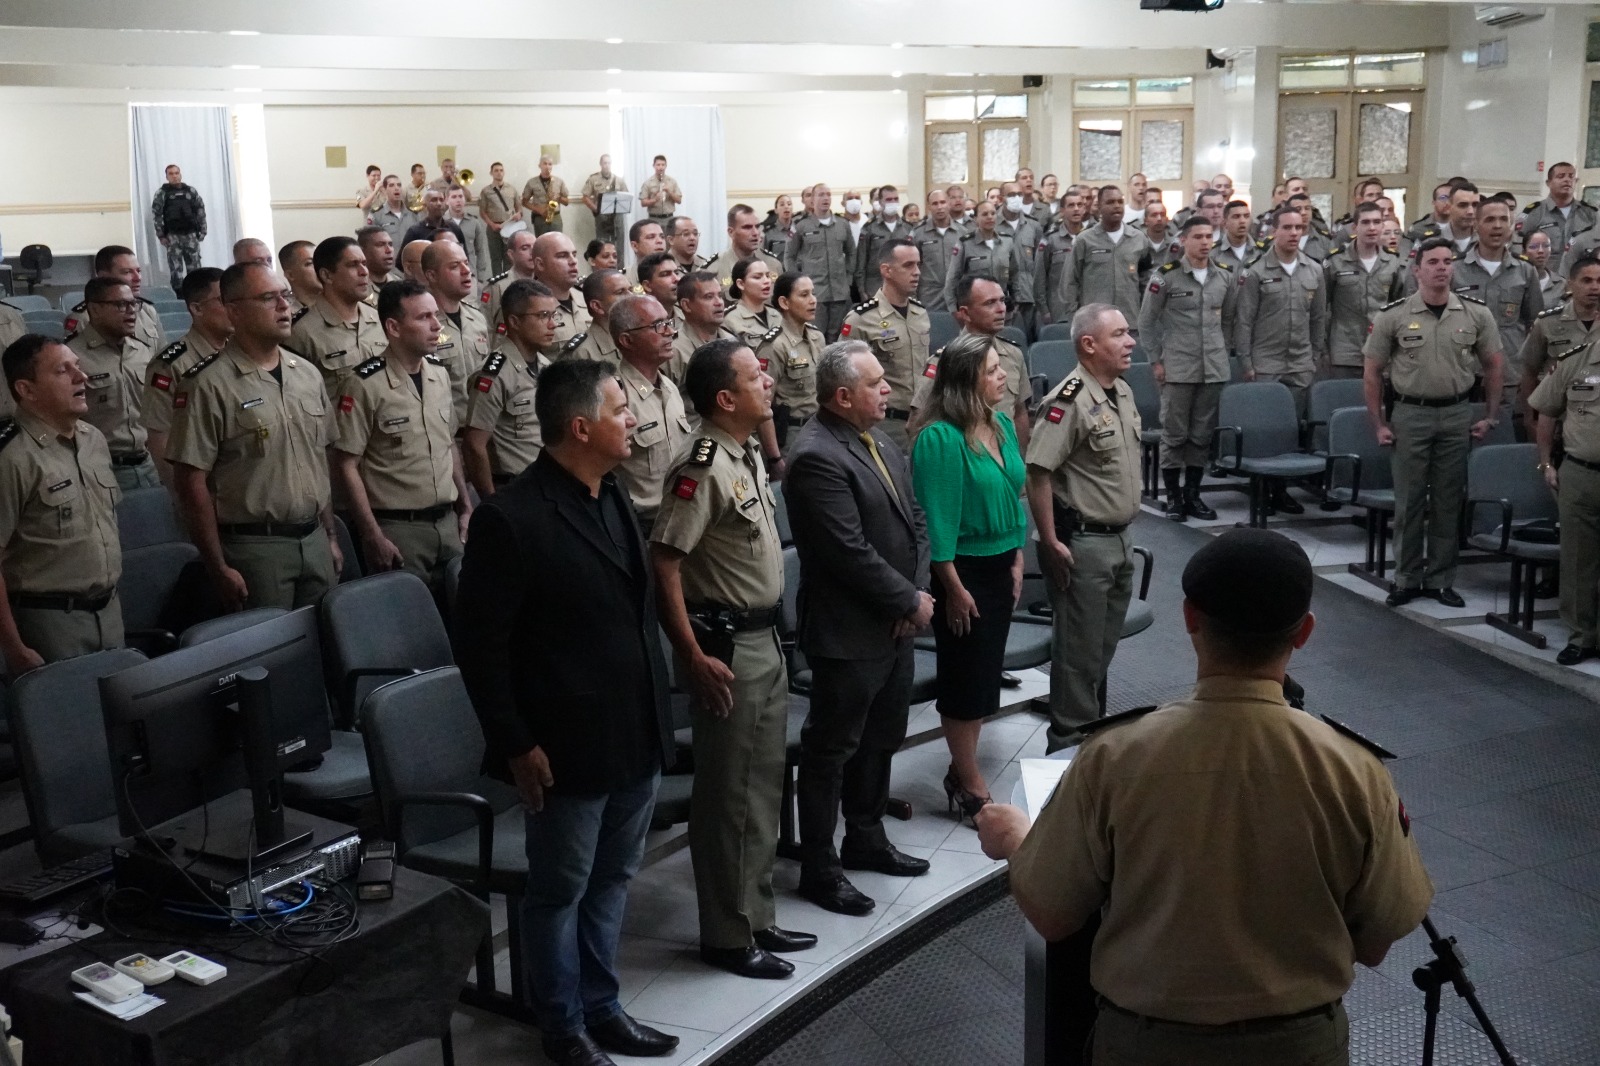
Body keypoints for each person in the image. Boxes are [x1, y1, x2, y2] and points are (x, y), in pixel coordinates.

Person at [976, 529, 1434, 1065]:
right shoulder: (1354, 770)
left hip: (1148, 1048)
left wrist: (1017, 842)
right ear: (1305, 632)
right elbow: (1377, 941)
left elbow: (1054, 915)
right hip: (1301, 1050)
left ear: (1190, 618)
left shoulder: (1115, 757)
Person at [455, 358, 680, 1066]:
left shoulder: (610, 493)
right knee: (560, 890)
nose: (634, 419)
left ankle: (602, 1005)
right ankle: (562, 1024)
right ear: (581, 427)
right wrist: (517, 744)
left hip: (634, 727)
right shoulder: (510, 518)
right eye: (622, 410)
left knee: (613, 879)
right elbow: (481, 650)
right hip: (565, 743)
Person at [651, 337, 816, 980]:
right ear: (726, 397)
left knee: (763, 787)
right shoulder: (700, 463)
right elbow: (665, 562)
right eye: (755, 375)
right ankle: (725, 934)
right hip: (725, 648)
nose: (769, 380)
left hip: (765, 639)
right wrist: (689, 653)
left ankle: (757, 914)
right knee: (727, 798)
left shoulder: (744, 451)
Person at [786, 339, 933, 917]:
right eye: (876, 384)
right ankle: (820, 869)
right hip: (849, 631)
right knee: (832, 751)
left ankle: (866, 837)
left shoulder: (880, 440)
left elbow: (914, 520)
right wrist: (907, 599)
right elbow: (846, 552)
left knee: (881, 738)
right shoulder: (816, 455)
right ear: (843, 396)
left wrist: (914, 596)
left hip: (895, 623)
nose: (889, 389)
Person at [167, 262, 342, 612]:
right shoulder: (208, 384)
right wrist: (217, 566)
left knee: (325, 649)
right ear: (234, 310)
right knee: (270, 656)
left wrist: (332, 536)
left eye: (285, 295)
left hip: (314, 539)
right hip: (255, 548)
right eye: (268, 298)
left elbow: (318, 460)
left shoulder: (306, 374)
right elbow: (191, 483)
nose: (284, 306)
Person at [909, 331, 1026, 826]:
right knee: (964, 679)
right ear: (966, 382)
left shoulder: (1000, 425)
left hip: (1001, 565)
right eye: (994, 370)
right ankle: (968, 780)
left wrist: (1018, 559)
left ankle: (962, 770)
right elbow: (937, 524)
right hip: (962, 573)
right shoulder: (941, 438)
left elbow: (1013, 494)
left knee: (984, 677)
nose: (1004, 377)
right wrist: (952, 589)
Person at [1364, 238, 1504, 608]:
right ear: (1417, 269)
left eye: (1447, 261)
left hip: (1457, 413)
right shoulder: (1393, 315)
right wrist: (1378, 422)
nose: (1442, 267)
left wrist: (1490, 415)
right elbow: (1373, 371)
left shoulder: (1475, 314)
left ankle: (1441, 579)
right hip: (1410, 414)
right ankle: (1407, 578)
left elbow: (1493, 365)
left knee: (1447, 500)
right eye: (1433, 261)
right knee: (1409, 501)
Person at [1026, 304, 1141, 755]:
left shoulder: (1123, 392)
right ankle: (1069, 751)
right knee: (1077, 658)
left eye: (1129, 332)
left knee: (1098, 654)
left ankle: (1089, 740)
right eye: (1119, 334)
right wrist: (1050, 542)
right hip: (1085, 543)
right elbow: (1038, 472)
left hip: (1120, 540)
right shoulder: (1068, 400)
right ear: (1089, 345)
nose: (1130, 341)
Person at [332, 279, 470, 594]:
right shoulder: (364, 384)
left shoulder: (439, 374)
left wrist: (465, 506)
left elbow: (448, 445)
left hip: (447, 523)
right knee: (408, 624)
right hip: (398, 528)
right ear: (393, 327)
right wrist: (372, 535)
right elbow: (345, 464)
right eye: (424, 318)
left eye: (436, 315)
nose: (437, 326)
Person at [0, 334, 123, 674]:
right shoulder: (11, 457)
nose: (81, 377)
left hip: (110, 611)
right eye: (62, 371)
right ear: (27, 390)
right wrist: (13, 647)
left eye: (78, 367)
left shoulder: (93, 439)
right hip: (50, 622)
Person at [1139, 216, 1236, 521]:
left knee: (1202, 434)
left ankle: (1194, 495)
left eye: (1209, 237)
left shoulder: (1224, 277)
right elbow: (1146, 322)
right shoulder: (1166, 277)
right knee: (1175, 433)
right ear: (1183, 241)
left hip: (1213, 367)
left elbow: (1230, 320)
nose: (1205, 242)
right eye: (1198, 237)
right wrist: (1156, 360)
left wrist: (1225, 350)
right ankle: (1174, 497)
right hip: (1178, 366)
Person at [1235, 205, 1329, 510]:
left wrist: (1314, 356)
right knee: (1263, 429)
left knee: (1289, 429)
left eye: (1299, 228)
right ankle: (1261, 489)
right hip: (1266, 360)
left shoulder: (1314, 270)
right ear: (1273, 231)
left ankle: (1281, 490)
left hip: (1300, 361)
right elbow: (1244, 320)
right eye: (1287, 228)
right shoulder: (1257, 271)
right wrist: (1246, 363)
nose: (1293, 233)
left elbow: (1319, 318)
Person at [1532, 322, 1600, 666]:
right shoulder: (1575, 361)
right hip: (1581, 473)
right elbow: (1546, 411)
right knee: (1577, 561)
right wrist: (1546, 463)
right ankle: (1581, 636)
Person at [913, 274, 1033, 452]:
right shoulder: (946, 361)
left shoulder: (1013, 354)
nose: (1001, 309)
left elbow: (1020, 412)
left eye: (1002, 300)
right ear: (965, 313)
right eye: (990, 303)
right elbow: (917, 420)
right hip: (968, 462)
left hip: (1006, 463)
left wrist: (1019, 461)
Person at [463, 279, 560, 498]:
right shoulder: (494, 374)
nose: (552, 324)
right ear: (514, 322)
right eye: (543, 316)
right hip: (514, 488)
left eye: (554, 315)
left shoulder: (545, 366)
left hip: (549, 484)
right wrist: (492, 502)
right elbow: (474, 445)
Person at [63, 275, 158, 491]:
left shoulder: (142, 351)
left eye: (134, 303)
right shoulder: (72, 357)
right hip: (100, 470)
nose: (131, 310)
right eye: (121, 305)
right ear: (94, 310)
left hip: (149, 465)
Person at [611, 295, 692, 529]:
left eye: (669, 323)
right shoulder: (616, 395)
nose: (669, 332)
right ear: (627, 340)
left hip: (679, 517)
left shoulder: (668, 386)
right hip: (641, 524)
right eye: (658, 326)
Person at [840, 238, 928, 451]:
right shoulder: (861, 319)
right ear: (886, 271)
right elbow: (844, 378)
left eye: (918, 264)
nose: (916, 272)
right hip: (884, 424)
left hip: (924, 421)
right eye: (908, 265)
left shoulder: (920, 313)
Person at [144, 266, 230, 477]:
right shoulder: (170, 364)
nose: (233, 307)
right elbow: (161, 438)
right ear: (197, 309)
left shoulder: (244, 352)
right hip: (202, 484)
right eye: (222, 300)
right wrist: (185, 500)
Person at [1453, 199, 1543, 384]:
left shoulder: (1525, 270)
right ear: (1476, 225)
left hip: (1508, 372)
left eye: (1504, 219)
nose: (1497, 226)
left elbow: (1533, 324)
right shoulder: (1455, 268)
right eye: (1490, 220)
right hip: (1463, 370)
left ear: (1511, 225)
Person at [289, 235, 385, 397]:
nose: (364, 272)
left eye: (364, 264)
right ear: (327, 275)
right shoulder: (301, 331)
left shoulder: (378, 318)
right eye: (353, 265)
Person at [1322, 202, 1405, 381]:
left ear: (1383, 225)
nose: (1372, 228)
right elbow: (1321, 308)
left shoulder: (1393, 262)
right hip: (1344, 352)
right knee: (1344, 404)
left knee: (1379, 406)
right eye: (1366, 222)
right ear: (1354, 227)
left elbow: (1399, 306)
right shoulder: (1335, 262)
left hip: (1381, 350)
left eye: (1377, 222)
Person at [756, 273, 824, 456]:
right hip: (791, 437)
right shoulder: (774, 346)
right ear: (785, 303)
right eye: (804, 295)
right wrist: (774, 457)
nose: (813, 301)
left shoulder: (817, 337)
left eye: (813, 293)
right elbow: (763, 407)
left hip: (819, 431)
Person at [1064, 185, 1149, 333]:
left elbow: (1145, 280)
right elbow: (1070, 281)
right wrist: (1074, 317)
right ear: (1099, 207)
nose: (1116, 206)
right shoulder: (1085, 240)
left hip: (1130, 322)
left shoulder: (1138, 239)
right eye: (1110, 202)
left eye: (1120, 202)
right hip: (1095, 324)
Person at [783, 184, 856, 342]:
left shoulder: (842, 224)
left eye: (828, 195)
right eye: (821, 195)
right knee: (815, 336)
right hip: (815, 293)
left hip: (839, 293)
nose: (826, 198)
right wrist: (797, 282)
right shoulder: (801, 225)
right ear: (812, 199)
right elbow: (789, 256)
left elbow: (851, 252)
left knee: (838, 338)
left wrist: (849, 278)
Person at [944, 200, 1021, 315]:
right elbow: (952, 279)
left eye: (993, 213)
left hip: (1001, 307)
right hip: (976, 308)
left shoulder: (1007, 241)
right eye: (985, 214)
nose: (990, 217)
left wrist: (1016, 301)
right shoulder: (965, 243)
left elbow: (1015, 274)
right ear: (975, 218)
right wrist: (954, 309)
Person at [1519, 161, 1597, 258]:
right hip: (1544, 271)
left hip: (1581, 270)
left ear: (1576, 181)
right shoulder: (1534, 212)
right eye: (1561, 176)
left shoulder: (1591, 213)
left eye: (1571, 176)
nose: (1567, 180)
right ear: (1548, 183)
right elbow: (1518, 247)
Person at [669, 271, 734, 386]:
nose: (719, 303)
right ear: (686, 305)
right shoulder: (674, 350)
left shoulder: (732, 342)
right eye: (709, 297)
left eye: (720, 296)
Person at [533, 233, 591, 356]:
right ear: (540, 264)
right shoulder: (526, 305)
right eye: (562, 256)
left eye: (574, 255)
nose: (573, 261)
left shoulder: (587, 299)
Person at [704, 204, 783, 295]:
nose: (755, 233)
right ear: (731, 232)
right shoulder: (713, 269)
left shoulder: (773, 264)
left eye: (757, 227)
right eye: (747, 227)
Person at [152, 163, 207, 290]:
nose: (174, 176)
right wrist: (161, 235)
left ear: (180, 174)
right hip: (173, 236)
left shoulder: (190, 191)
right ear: (166, 176)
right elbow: (157, 214)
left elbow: (200, 210)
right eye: (171, 174)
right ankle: (179, 295)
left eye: (176, 173)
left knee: (195, 268)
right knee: (176, 269)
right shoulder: (162, 193)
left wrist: (203, 230)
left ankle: (195, 292)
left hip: (191, 235)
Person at [854, 185, 911, 300]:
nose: (893, 202)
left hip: (902, 289)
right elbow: (861, 263)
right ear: (880, 202)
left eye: (896, 199)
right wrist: (862, 291)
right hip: (875, 289)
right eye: (889, 200)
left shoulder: (908, 228)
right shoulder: (869, 228)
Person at [562, 269, 631, 365]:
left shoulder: (636, 338)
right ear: (597, 306)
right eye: (620, 292)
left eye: (630, 290)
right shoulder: (582, 354)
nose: (631, 296)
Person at [482, 229, 541, 337]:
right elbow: (486, 326)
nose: (532, 252)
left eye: (535, 247)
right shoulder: (497, 287)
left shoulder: (545, 283)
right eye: (525, 248)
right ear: (511, 255)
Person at [911, 188, 962, 312]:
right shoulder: (919, 234)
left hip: (957, 295)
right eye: (935, 203)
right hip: (929, 296)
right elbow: (912, 266)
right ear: (929, 207)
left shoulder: (963, 233)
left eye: (943, 202)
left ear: (949, 203)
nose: (939, 207)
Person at [478, 161, 522, 274]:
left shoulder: (511, 189)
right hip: (494, 228)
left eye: (501, 170)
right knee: (496, 258)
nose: (499, 173)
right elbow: (482, 212)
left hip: (510, 227)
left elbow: (519, 208)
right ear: (491, 173)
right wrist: (492, 225)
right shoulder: (486, 191)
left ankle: (508, 283)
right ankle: (497, 284)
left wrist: (519, 215)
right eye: (496, 171)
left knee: (509, 257)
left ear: (504, 172)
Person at [581, 155, 629, 245]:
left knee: (619, 244)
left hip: (617, 216)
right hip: (602, 216)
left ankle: (619, 260)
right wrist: (596, 209)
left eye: (609, 163)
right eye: (605, 163)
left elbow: (626, 196)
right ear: (601, 164)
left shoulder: (619, 180)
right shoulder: (593, 179)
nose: (607, 165)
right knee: (602, 243)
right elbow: (585, 197)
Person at [446, 187, 492, 281]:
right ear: (447, 201)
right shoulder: (441, 223)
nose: (458, 200)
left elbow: (480, 252)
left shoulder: (474, 223)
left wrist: (480, 277)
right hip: (448, 277)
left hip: (470, 275)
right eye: (454, 197)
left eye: (460, 196)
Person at [521, 154, 569, 237]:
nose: (547, 166)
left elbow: (567, 202)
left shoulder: (559, 181)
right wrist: (537, 209)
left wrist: (558, 197)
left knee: (557, 243)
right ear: (539, 165)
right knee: (541, 244)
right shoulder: (532, 182)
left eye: (550, 164)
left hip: (555, 217)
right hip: (540, 218)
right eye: (545, 163)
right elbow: (524, 201)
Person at [401, 188, 465, 249]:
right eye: (434, 200)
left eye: (441, 200)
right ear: (425, 205)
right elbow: (403, 258)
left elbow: (464, 255)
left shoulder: (454, 229)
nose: (439, 203)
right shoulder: (415, 231)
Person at [371, 174, 417, 245]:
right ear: (385, 190)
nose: (396, 188)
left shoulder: (413, 214)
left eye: (399, 185)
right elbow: (372, 242)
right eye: (391, 185)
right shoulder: (377, 215)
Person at [278, 240, 321, 315]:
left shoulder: (338, 305)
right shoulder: (283, 312)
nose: (320, 267)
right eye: (310, 263)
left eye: (320, 261)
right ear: (290, 275)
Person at [639, 155, 682, 222]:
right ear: (654, 166)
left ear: (666, 166)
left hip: (669, 218)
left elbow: (679, 200)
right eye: (658, 165)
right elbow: (643, 203)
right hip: (654, 218)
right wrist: (655, 199)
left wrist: (669, 192)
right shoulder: (647, 183)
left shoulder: (672, 181)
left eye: (663, 165)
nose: (661, 167)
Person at [762, 194, 795, 262]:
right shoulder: (768, 233)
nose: (786, 207)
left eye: (789, 204)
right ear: (776, 210)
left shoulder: (800, 229)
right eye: (782, 204)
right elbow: (763, 257)